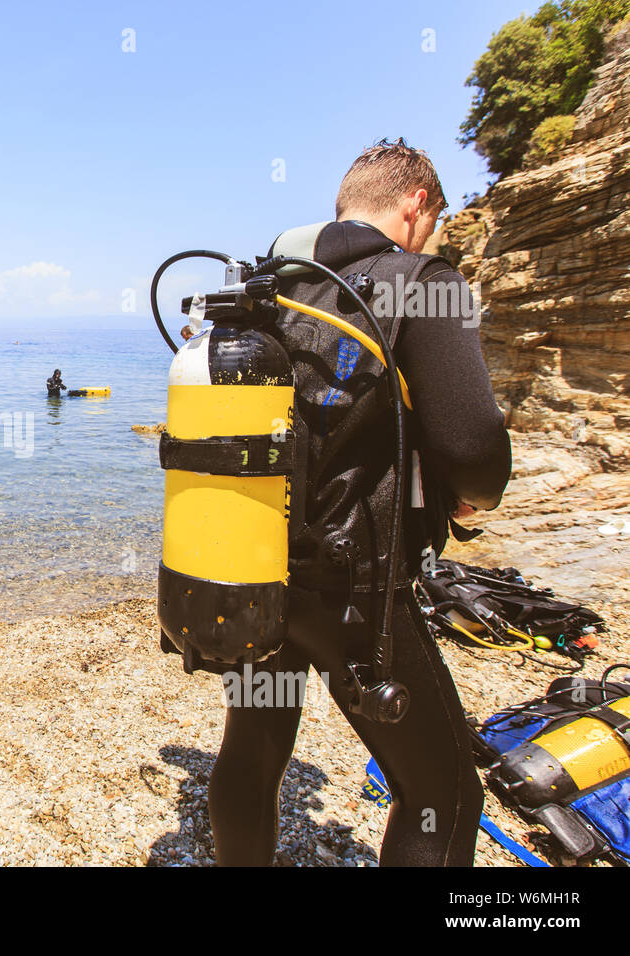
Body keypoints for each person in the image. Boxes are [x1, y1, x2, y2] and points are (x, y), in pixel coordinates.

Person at [203, 139, 512, 866]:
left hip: (257, 575)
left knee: (254, 748)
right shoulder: (418, 282)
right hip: (357, 595)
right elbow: (474, 449)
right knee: (444, 795)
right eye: (433, 221)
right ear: (416, 204)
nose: (433, 236)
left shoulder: (271, 294)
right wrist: (471, 497)